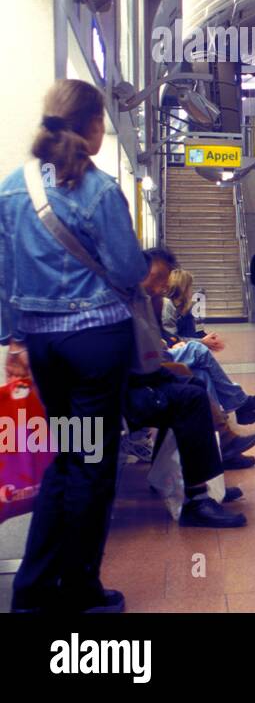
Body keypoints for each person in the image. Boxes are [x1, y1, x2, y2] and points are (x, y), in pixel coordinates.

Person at [0, 80, 149, 613]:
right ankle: (81, 589)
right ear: (92, 126)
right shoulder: (100, 190)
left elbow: (4, 275)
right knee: (91, 465)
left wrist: (12, 338)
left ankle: (34, 590)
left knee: (69, 456)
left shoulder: (11, 189)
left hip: (44, 346)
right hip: (94, 343)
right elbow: (130, 269)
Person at [129, 248, 249, 527]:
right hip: (127, 386)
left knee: (195, 382)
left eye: (163, 279)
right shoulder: (129, 300)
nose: (159, 285)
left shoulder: (145, 301)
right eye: (154, 277)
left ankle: (208, 485)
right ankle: (199, 496)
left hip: (141, 377)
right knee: (192, 393)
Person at [160, 267, 255, 427]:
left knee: (202, 375)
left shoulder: (184, 309)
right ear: (183, 287)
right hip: (166, 356)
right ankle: (243, 405)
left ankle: (218, 424)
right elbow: (172, 339)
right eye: (190, 287)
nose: (191, 291)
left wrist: (205, 339)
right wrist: (202, 343)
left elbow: (187, 334)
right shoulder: (168, 306)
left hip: (172, 354)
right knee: (198, 350)